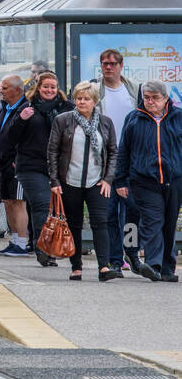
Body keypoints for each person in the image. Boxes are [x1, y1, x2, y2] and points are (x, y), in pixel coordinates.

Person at [47, 82, 119, 281]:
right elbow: (52, 151)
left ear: (94, 101)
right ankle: (76, 266)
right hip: (69, 181)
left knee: (101, 222)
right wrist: (54, 181)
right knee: (74, 224)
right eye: (78, 98)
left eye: (86, 99)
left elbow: (113, 151)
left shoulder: (105, 122)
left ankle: (104, 267)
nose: (81, 102)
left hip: (97, 182)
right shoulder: (63, 120)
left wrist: (108, 179)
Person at [114, 81, 182, 282]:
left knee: (169, 224)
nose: (150, 102)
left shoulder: (178, 117)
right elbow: (123, 151)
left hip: (174, 180)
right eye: (147, 97)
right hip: (144, 181)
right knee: (153, 220)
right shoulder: (134, 119)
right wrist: (120, 181)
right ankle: (154, 265)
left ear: (165, 98)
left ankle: (168, 268)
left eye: (155, 98)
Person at [8, 71, 73, 266]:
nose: (49, 90)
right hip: (31, 166)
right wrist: (22, 119)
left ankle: (54, 247)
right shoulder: (27, 108)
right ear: (39, 87)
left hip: (60, 167)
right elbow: (11, 136)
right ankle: (43, 248)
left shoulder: (67, 108)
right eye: (46, 86)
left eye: (53, 87)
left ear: (58, 88)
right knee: (42, 205)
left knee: (58, 208)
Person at [92, 48, 144, 274]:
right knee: (110, 212)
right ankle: (115, 259)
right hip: (105, 159)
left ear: (121, 66)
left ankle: (131, 253)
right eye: (104, 63)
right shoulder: (95, 89)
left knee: (133, 209)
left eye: (113, 63)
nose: (108, 67)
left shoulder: (134, 90)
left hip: (131, 158)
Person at [0, 74, 30, 256]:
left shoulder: (26, 108)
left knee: (18, 202)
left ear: (17, 90)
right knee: (7, 202)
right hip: (2, 163)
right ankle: (14, 241)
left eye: (5, 88)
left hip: (16, 164)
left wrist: (18, 159)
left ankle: (22, 243)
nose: (1, 91)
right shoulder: (4, 107)